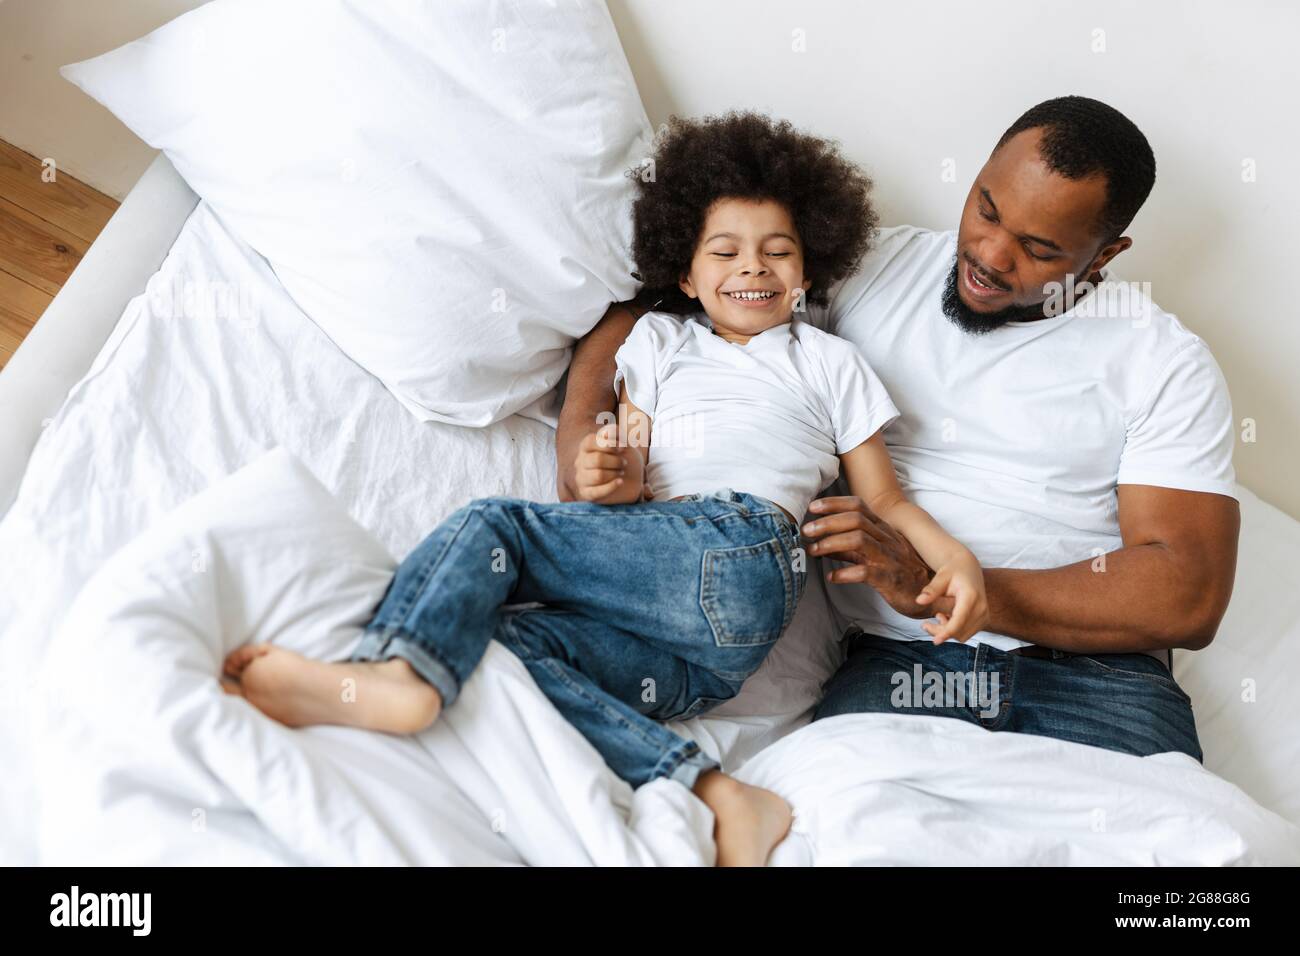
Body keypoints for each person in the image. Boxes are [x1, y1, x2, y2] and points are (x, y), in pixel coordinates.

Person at [221, 112, 985, 866]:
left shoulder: (826, 361)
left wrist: (955, 559)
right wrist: (603, 476)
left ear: (807, 272)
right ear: (685, 276)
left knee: (500, 528)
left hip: (749, 548)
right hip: (701, 643)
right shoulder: (659, 343)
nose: (753, 267)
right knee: (513, 650)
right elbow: (629, 476)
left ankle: (398, 671)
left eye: (777, 252)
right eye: (725, 252)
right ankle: (720, 796)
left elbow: (886, 501)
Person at [557, 96, 1240, 762]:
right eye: (986, 209)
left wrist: (940, 585)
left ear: (1104, 254)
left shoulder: (1163, 358)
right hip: (900, 666)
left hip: (1100, 684)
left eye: (1037, 248)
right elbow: (651, 314)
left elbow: (1187, 590)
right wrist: (586, 447)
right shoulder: (872, 269)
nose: (991, 257)